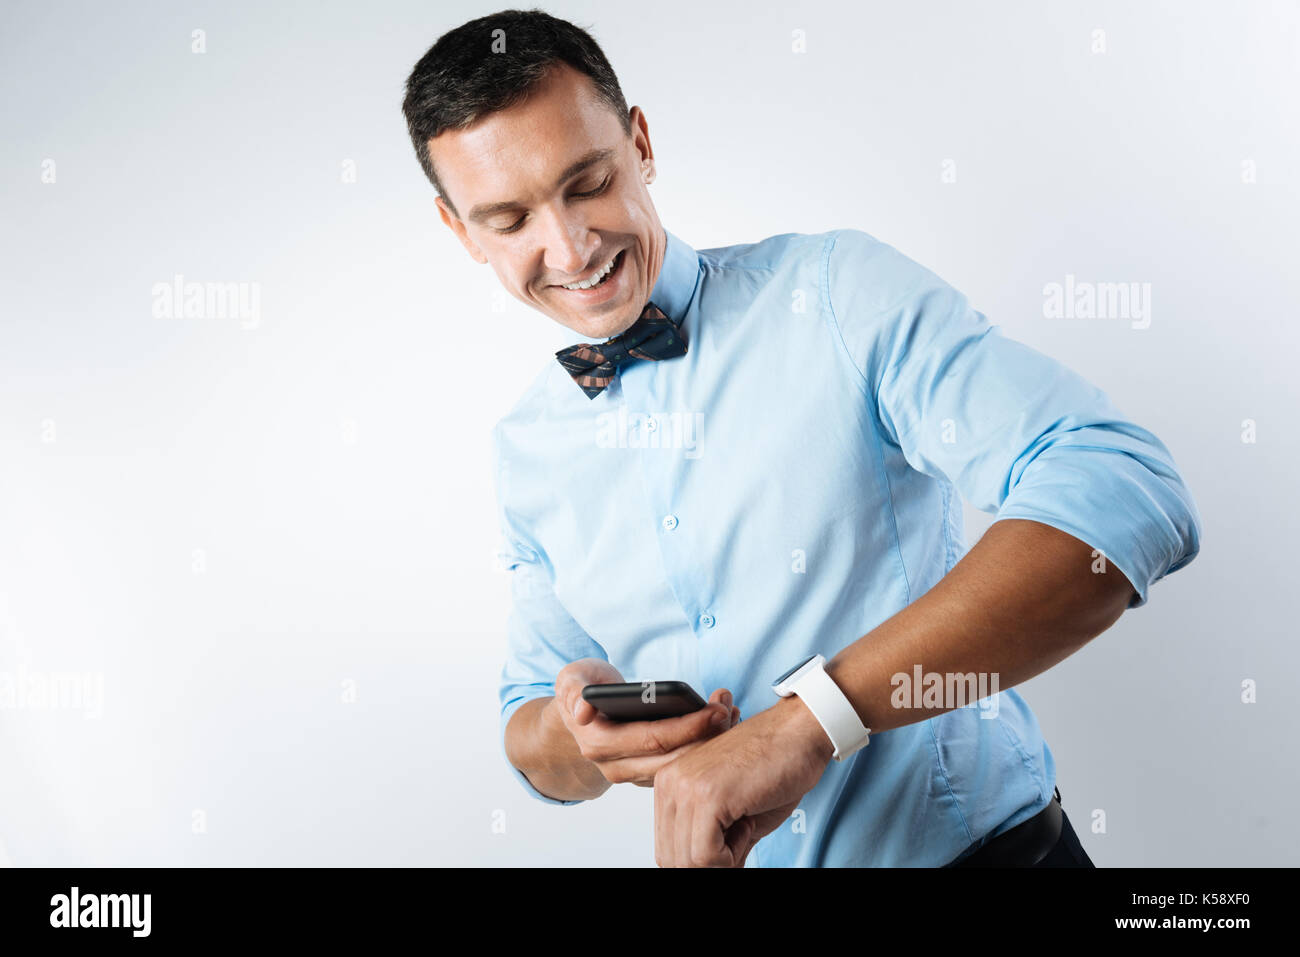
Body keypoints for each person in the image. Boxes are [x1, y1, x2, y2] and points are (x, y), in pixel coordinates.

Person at [401, 9, 1202, 867]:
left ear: (640, 144)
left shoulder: (835, 295)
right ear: (460, 232)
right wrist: (577, 730)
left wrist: (819, 716)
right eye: (510, 219)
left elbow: (1126, 488)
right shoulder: (527, 448)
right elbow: (528, 726)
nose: (569, 245)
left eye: (587, 181)